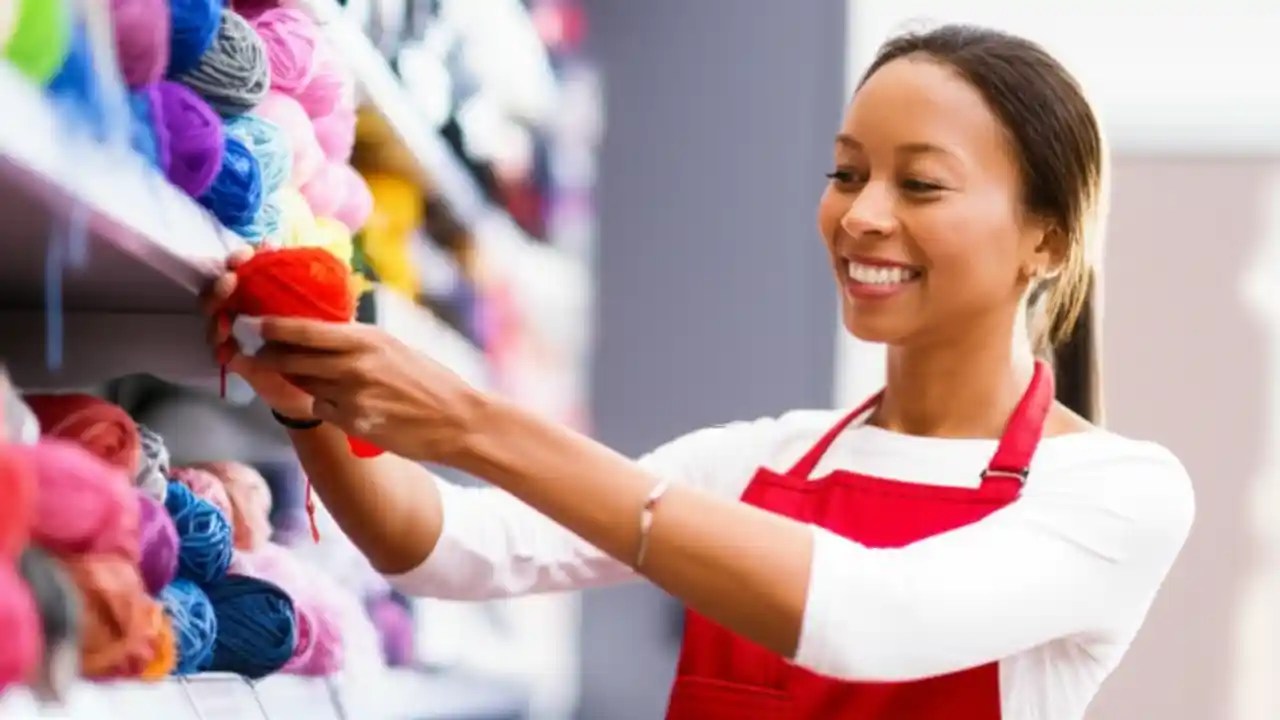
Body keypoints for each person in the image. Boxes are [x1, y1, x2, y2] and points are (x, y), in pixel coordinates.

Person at [202, 24, 1194, 720]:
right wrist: (314, 406)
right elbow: (453, 549)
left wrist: (469, 421)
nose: (860, 216)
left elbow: (866, 618)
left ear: (1047, 241)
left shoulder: (1115, 494)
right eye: (845, 172)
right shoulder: (759, 461)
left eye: (919, 183)